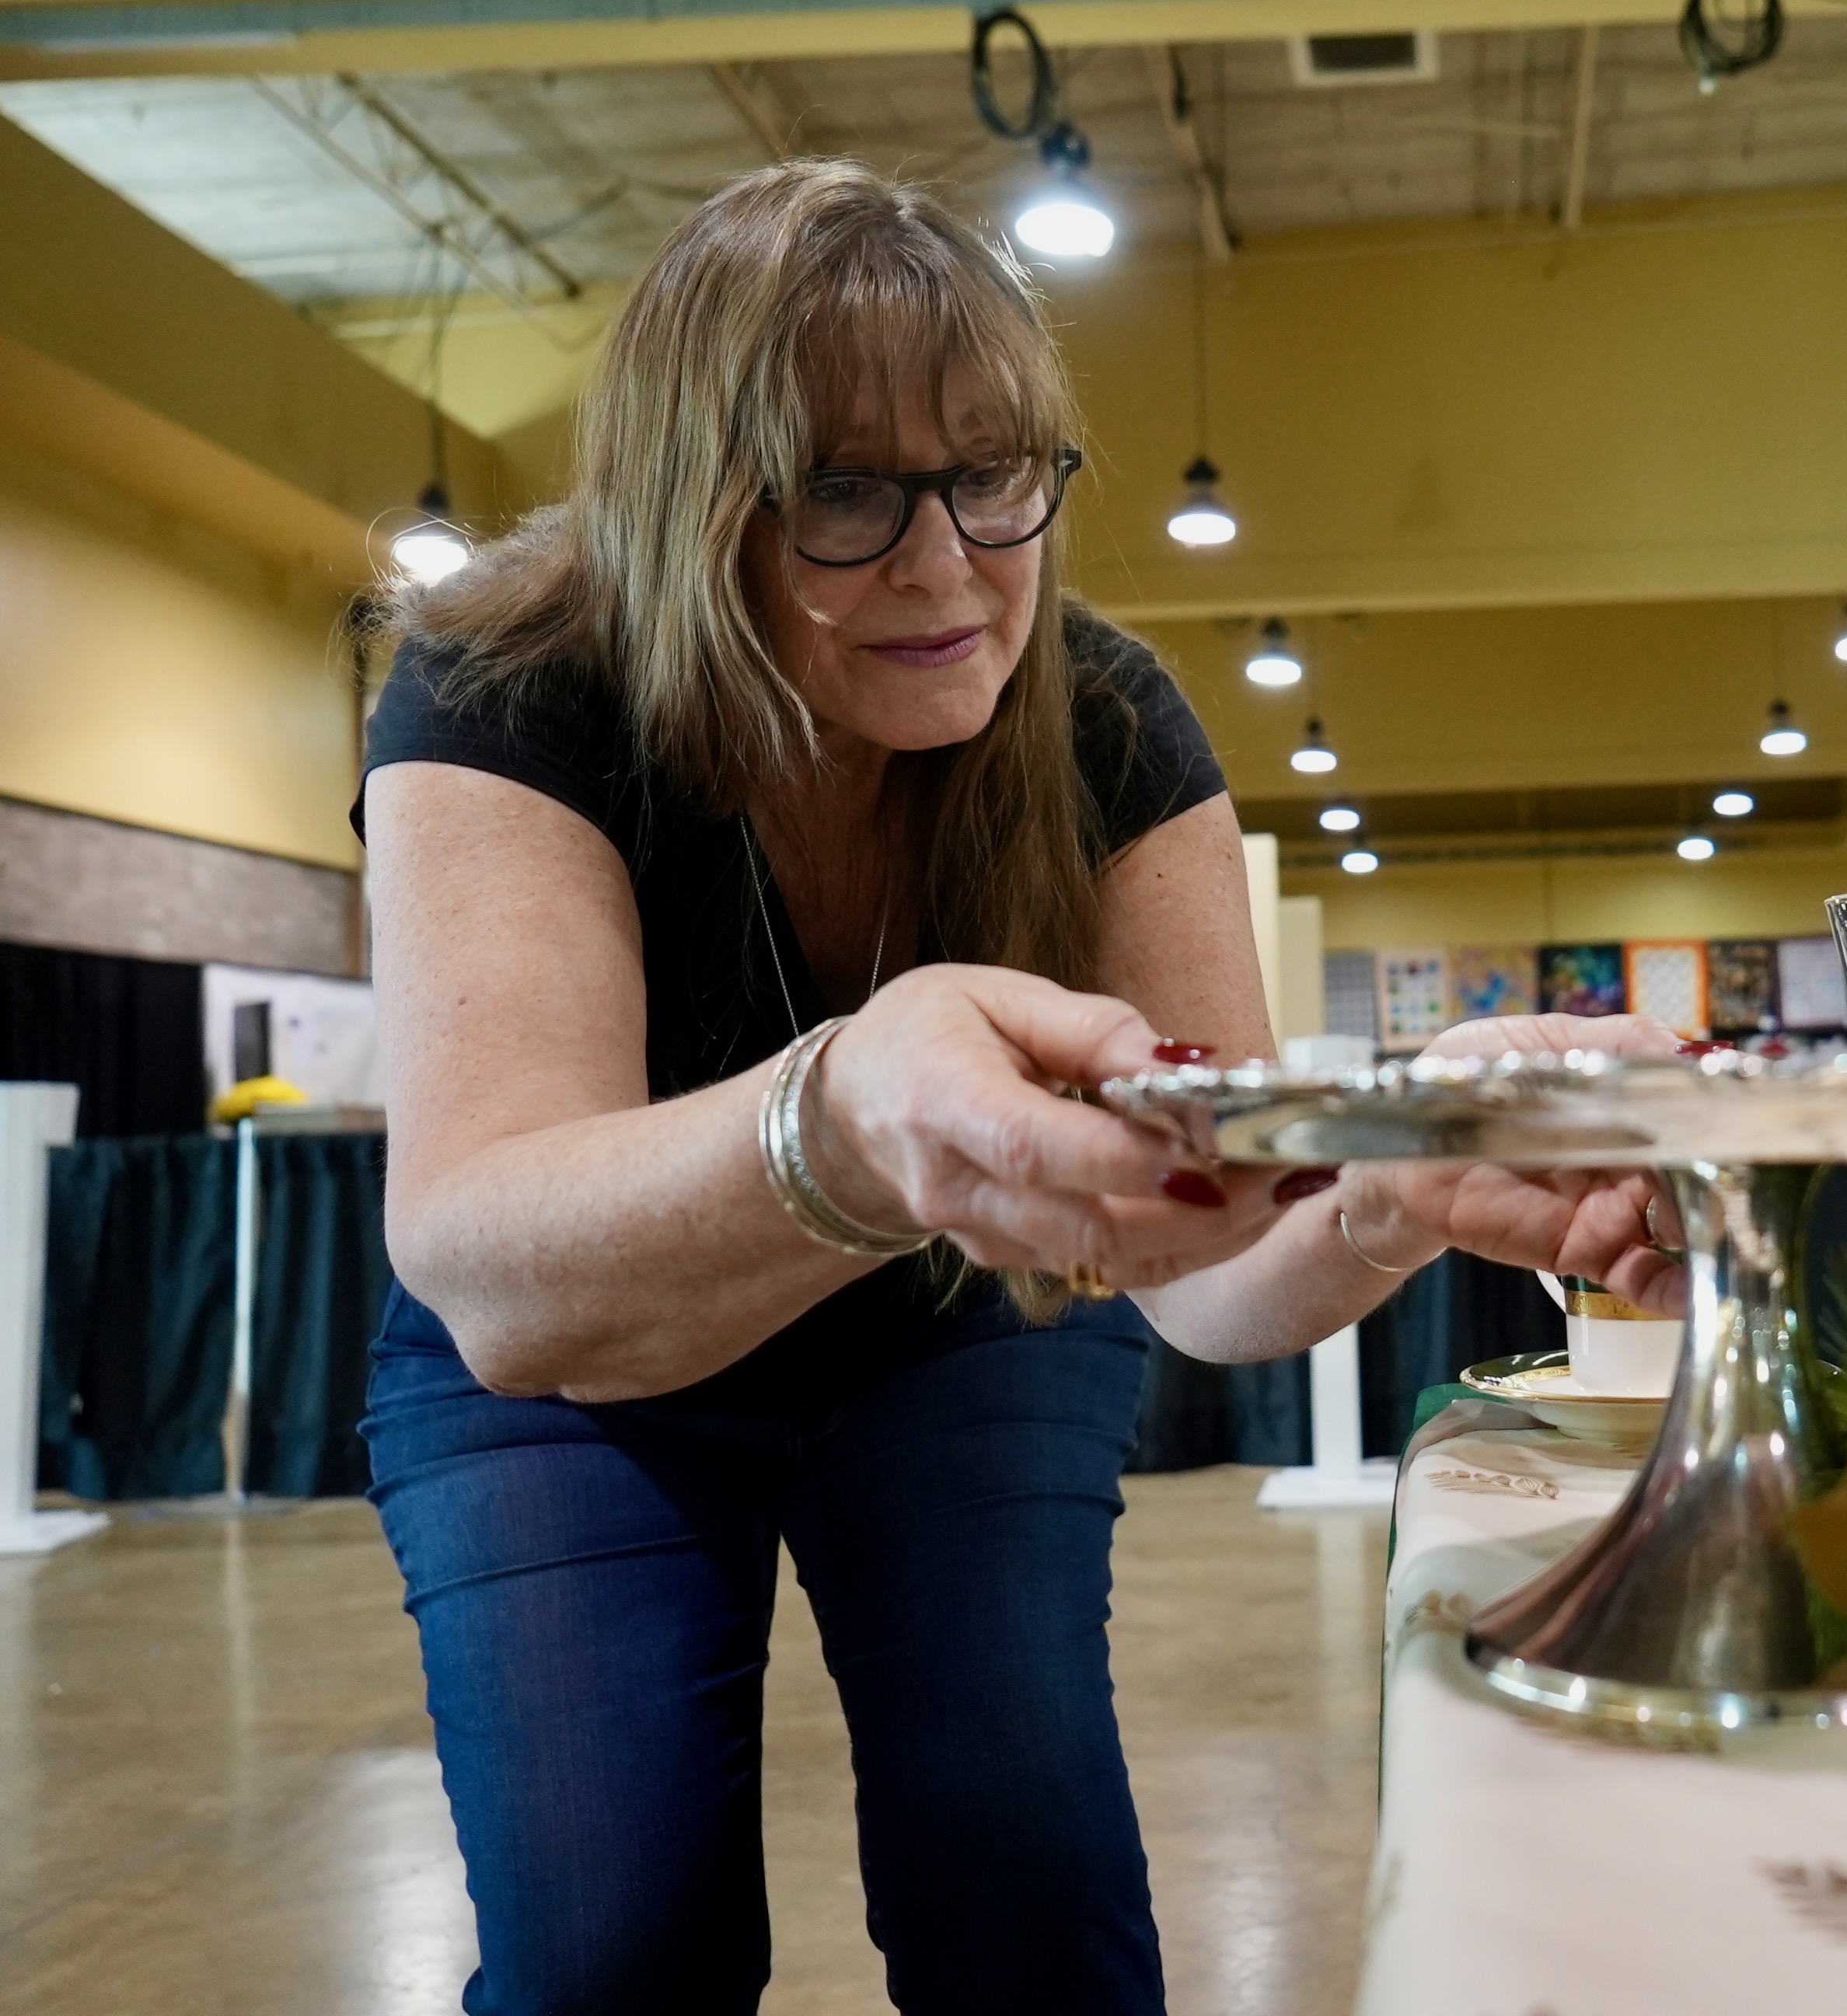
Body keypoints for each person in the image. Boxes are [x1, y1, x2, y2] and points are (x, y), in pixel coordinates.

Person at [356, 159, 1681, 2016]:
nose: (947, 563)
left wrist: (1388, 1169)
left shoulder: (1109, 719)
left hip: (959, 1327)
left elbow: (1209, 1269)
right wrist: (838, 1119)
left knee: (1029, 1883)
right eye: (842, 492)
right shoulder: (509, 684)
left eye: (995, 475)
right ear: (688, 501)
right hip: (586, 1356)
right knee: (610, 1945)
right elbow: (491, 1267)